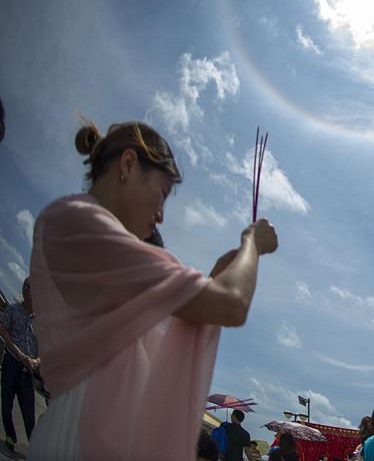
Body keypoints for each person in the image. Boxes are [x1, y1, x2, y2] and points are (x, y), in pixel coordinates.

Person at [27, 121, 279, 461]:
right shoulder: (75, 218)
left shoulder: (75, 226)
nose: (160, 215)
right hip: (89, 433)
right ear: (129, 164)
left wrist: (217, 275)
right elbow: (229, 304)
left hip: (91, 425)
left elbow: (166, 320)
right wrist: (252, 246)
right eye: (162, 194)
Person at [0, 277, 39, 454]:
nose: (25, 289)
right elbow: (3, 331)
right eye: (25, 285)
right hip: (10, 363)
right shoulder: (14, 310)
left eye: (30, 287)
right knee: (6, 404)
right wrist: (19, 353)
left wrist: (35, 362)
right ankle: (10, 437)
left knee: (29, 414)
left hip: (26, 372)